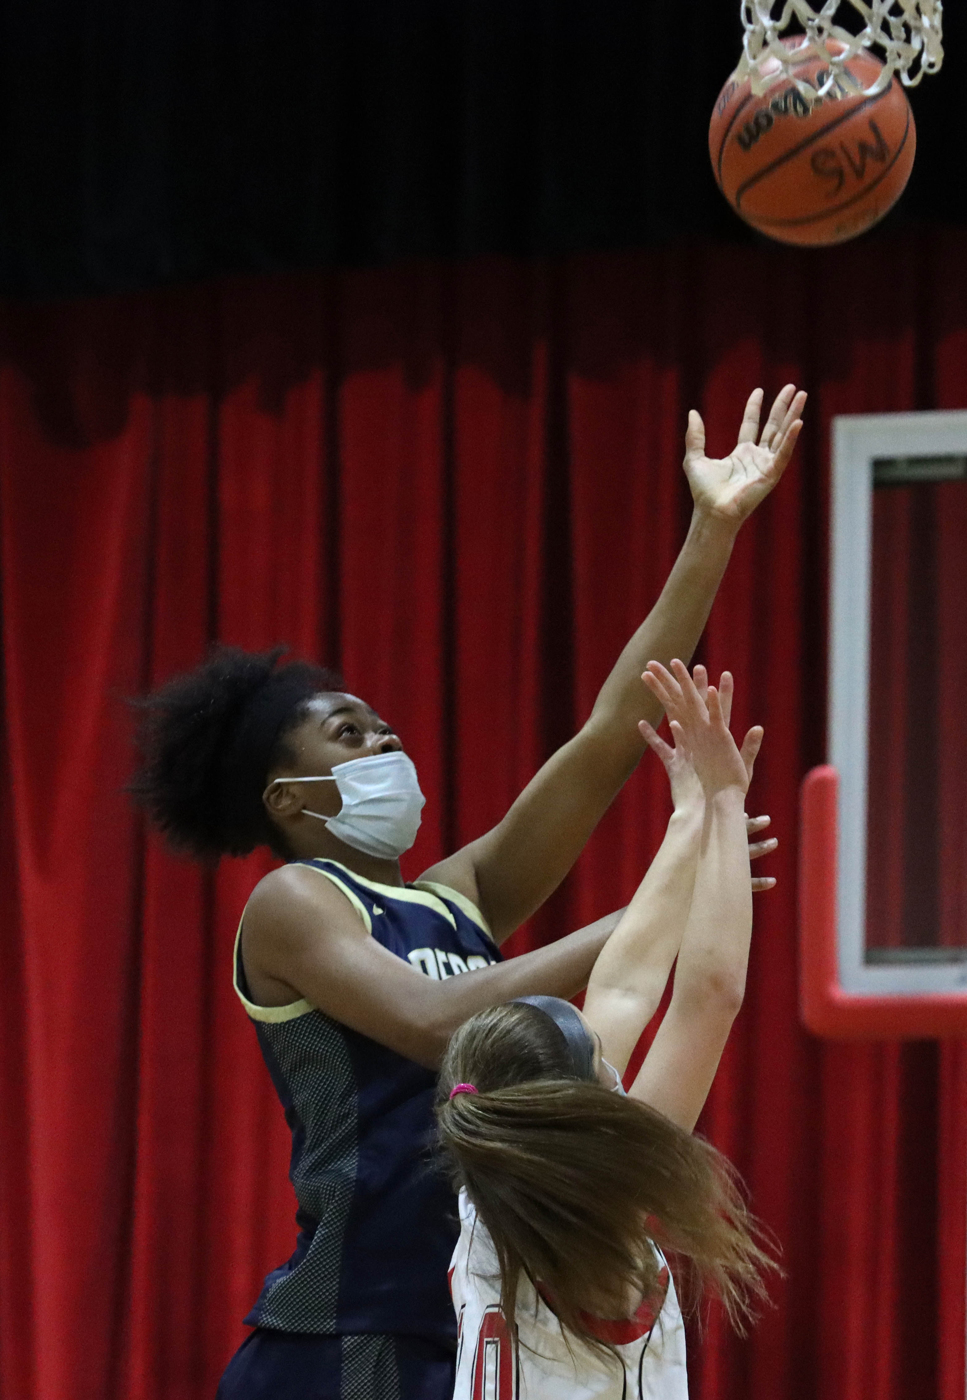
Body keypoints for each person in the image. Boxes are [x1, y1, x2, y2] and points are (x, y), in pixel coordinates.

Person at [126, 387, 804, 1400]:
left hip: (476, 1305)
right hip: (345, 1323)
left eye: (384, 726)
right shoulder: (296, 903)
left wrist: (712, 527)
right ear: (289, 795)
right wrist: (659, 912)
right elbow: (434, 1017)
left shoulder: (457, 897)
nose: (384, 739)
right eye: (348, 733)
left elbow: (610, 732)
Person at [436, 660, 771, 1400]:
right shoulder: (603, 1220)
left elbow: (626, 983)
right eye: (600, 1059)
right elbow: (707, 995)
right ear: (580, 1103)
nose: (615, 1058)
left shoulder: (493, 1185)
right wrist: (722, 800)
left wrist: (692, 819)